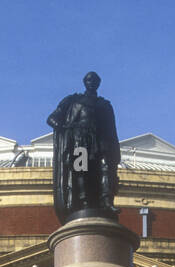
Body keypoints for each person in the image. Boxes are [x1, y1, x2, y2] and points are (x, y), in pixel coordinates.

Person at [47, 72, 120, 223]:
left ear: (98, 83)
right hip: (80, 141)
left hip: (100, 142)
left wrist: (115, 149)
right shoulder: (73, 100)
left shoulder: (104, 105)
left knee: (105, 168)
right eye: (89, 80)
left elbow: (112, 130)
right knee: (82, 170)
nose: (91, 82)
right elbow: (52, 119)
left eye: (94, 80)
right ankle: (83, 201)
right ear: (84, 82)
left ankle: (106, 202)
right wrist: (67, 130)